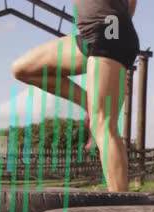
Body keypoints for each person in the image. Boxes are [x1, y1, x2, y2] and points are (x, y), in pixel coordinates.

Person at [11, 0, 140, 192]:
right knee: (23, 69)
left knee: (103, 125)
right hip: (93, 34)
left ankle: (122, 207)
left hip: (108, 31)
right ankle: (87, 102)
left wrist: (118, 35)